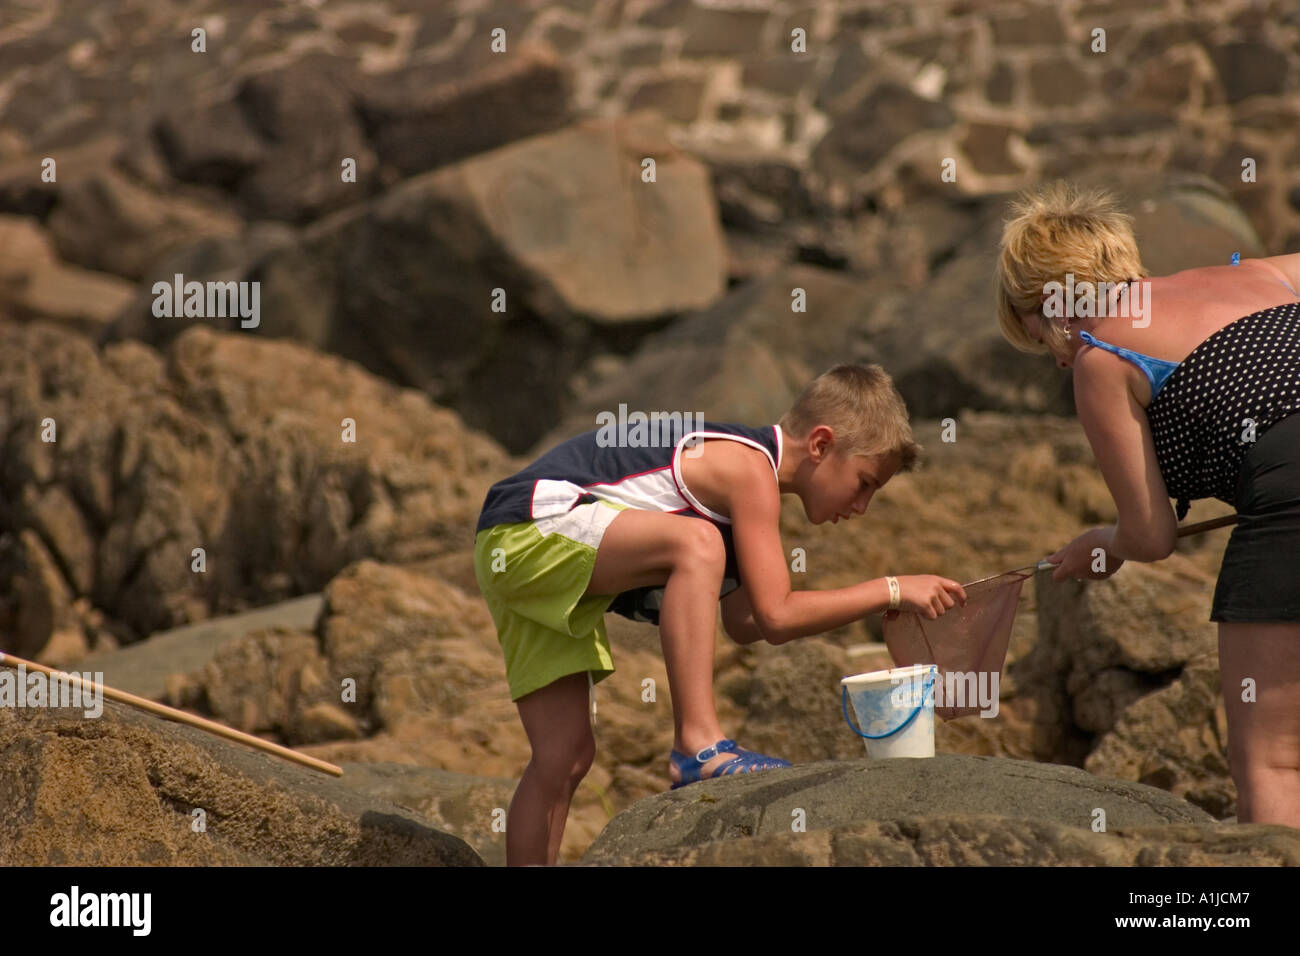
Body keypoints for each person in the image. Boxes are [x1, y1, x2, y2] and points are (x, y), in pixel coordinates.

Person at [473, 363, 968, 865]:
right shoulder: (747, 468)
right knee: (697, 543)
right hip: (533, 524)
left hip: (513, 549)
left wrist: (880, 599)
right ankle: (697, 746)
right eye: (864, 483)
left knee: (565, 757)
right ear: (820, 445)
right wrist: (889, 589)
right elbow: (776, 614)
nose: (862, 506)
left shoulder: (733, 504)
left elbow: (751, 622)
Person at [994, 180, 1300, 828]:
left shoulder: (1101, 358)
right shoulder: (1267, 274)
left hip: (1287, 506)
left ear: (1045, 302)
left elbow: (1151, 535)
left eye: (1035, 335)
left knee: (1275, 767)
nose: (1052, 359)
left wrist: (1099, 547)